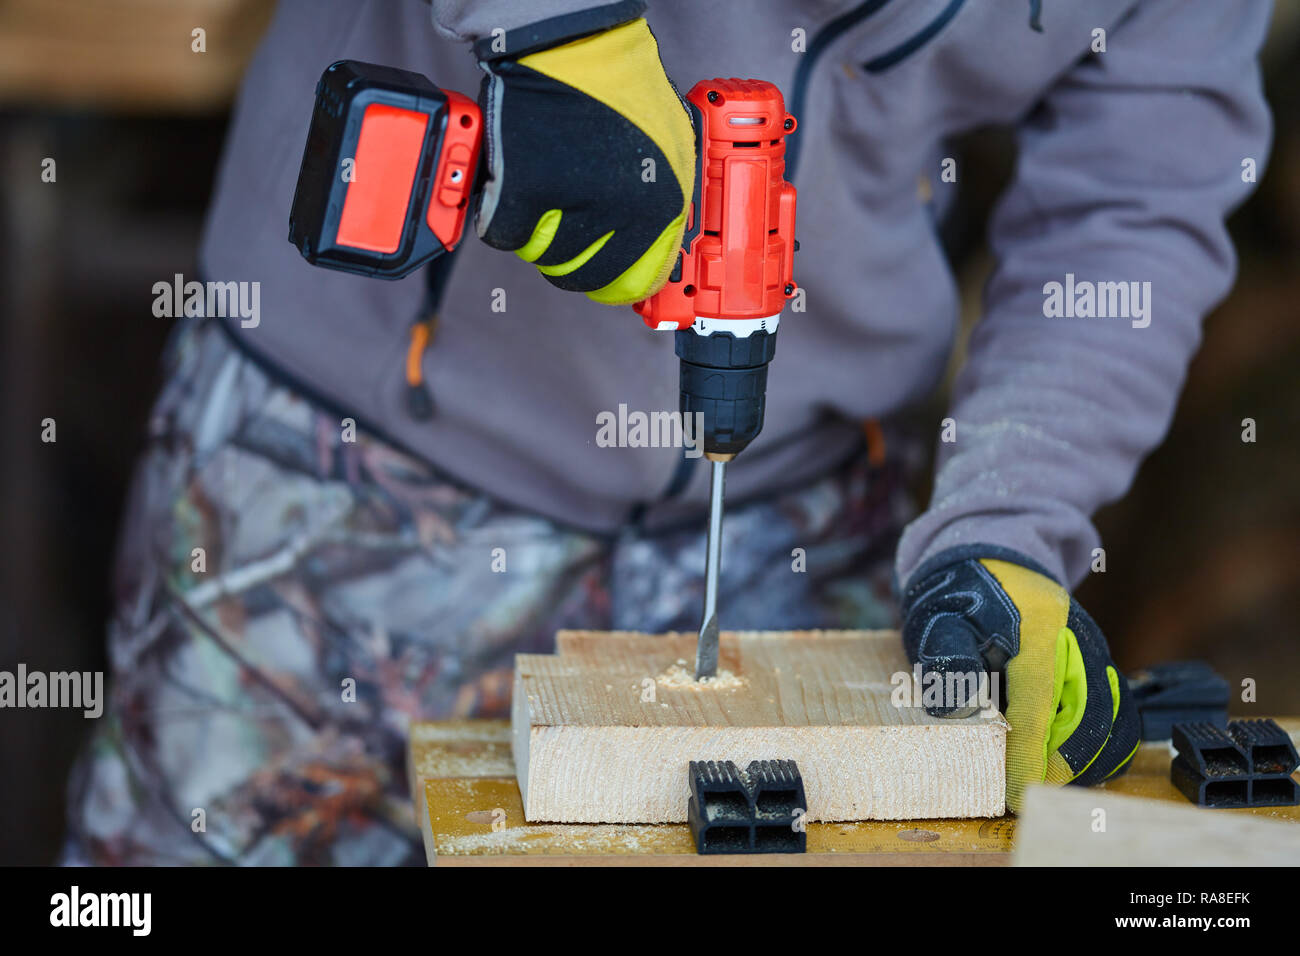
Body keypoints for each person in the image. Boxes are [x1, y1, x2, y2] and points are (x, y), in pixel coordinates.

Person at [63, 0, 1271, 865]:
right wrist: (554, 28)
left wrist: (1009, 526)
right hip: (348, 463)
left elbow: (1135, 204)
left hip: (808, 495)